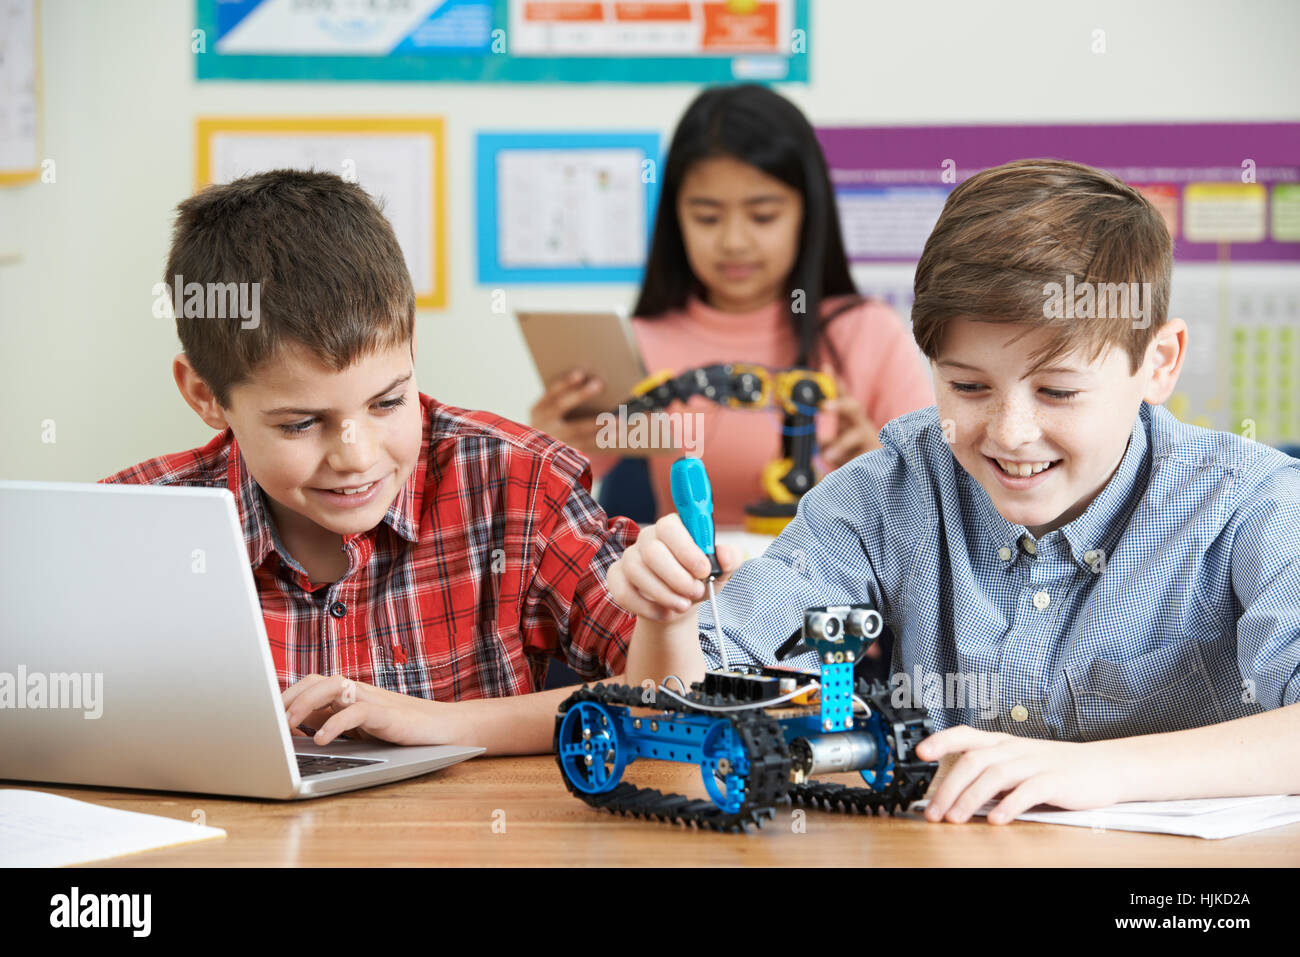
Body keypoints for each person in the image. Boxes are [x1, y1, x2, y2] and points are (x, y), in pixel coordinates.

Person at [609, 158, 1300, 823]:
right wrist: (666, 616)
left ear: (1160, 362)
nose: (1010, 431)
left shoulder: (1249, 504)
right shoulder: (889, 492)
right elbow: (681, 714)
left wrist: (1100, 770)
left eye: (1058, 390)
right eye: (967, 386)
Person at [101, 170, 638, 755]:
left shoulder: (517, 486)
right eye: (300, 424)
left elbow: (666, 691)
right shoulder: (130, 523)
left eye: (387, 402)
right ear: (206, 396)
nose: (355, 457)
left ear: (412, 349)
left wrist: (442, 725)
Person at [530, 84, 934, 528]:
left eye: (763, 216)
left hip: (835, 591)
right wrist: (544, 453)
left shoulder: (866, 332)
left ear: (807, 211)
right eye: (707, 217)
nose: (734, 242)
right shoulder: (641, 343)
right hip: (691, 589)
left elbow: (943, 508)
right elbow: (554, 511)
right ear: (675, 217)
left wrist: (886, 474)